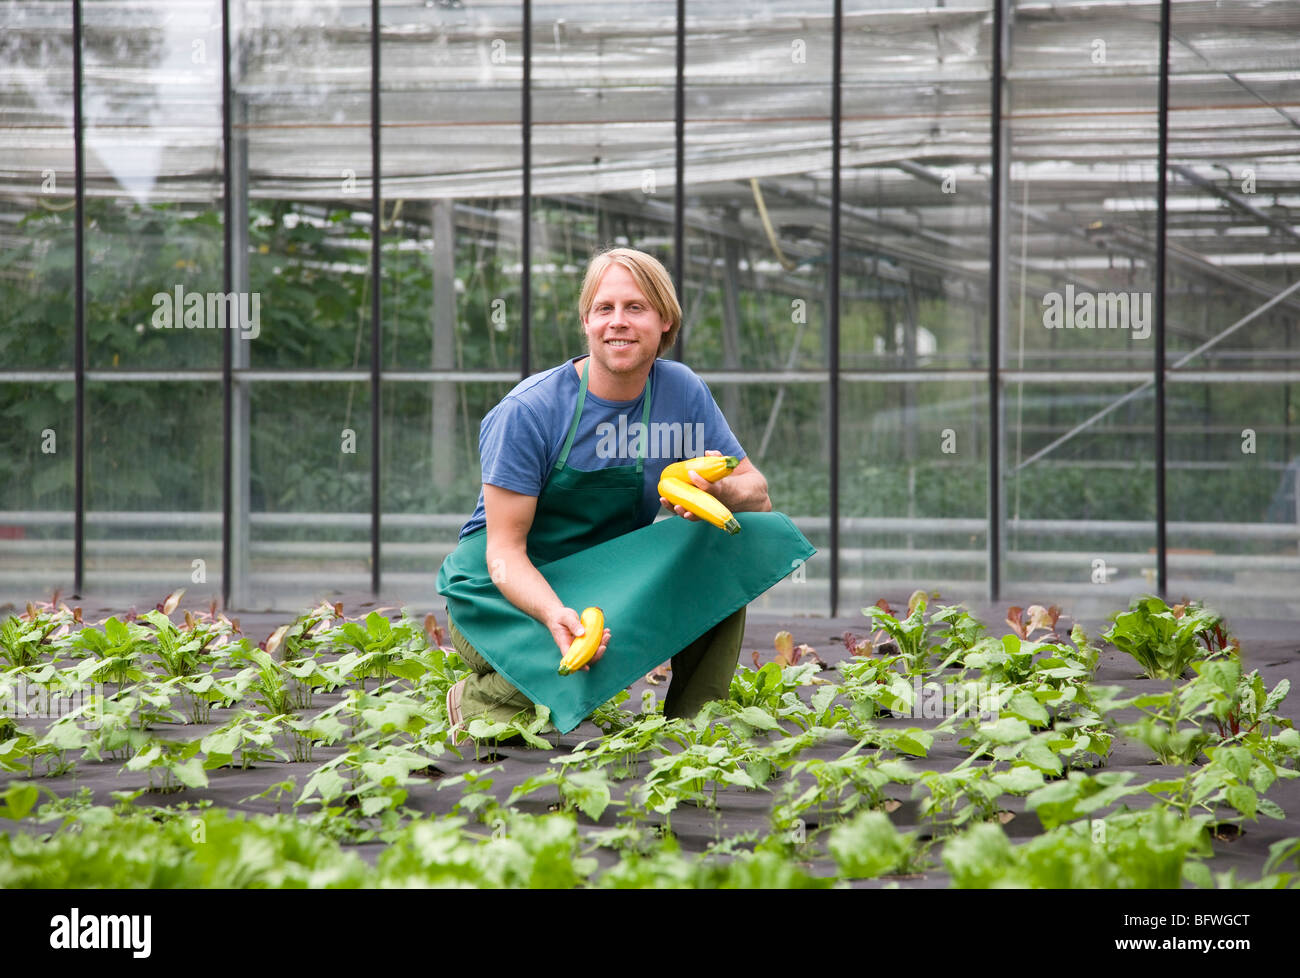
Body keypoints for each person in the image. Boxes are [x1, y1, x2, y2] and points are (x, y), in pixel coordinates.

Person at [436, 247, 814, 742]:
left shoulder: (681, 391)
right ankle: (476, 698)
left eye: (635, 308)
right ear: (587, 322)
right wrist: (554, 615)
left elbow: (758, 495)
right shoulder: (529, 412)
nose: (618, 322)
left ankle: (697, 723)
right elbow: (504, 552)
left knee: (729, 535)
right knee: (558, 679)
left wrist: (715, 487)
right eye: (604, 309)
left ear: (664, 321)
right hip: (497, 590)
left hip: (599, 578)